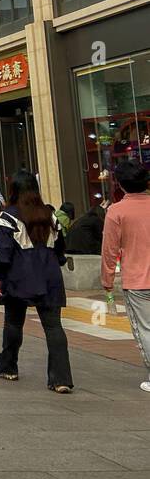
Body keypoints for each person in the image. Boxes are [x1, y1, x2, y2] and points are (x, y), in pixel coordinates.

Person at [0, 170, 73, 393]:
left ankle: (8, 366)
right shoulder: (50, 215)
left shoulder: (7, 217)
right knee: (54, 326)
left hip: (19, 275)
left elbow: (3, 252)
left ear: (13, 191)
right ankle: (61, 379)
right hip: (49, 274)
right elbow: (60, 249)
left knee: (14, 322)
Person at [101, 160, 150, 392]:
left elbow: (109, 250)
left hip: (137, 280)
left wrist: (107, 281)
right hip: (139, 279)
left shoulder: (116, 211)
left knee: (146, 329)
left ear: (119, 184)